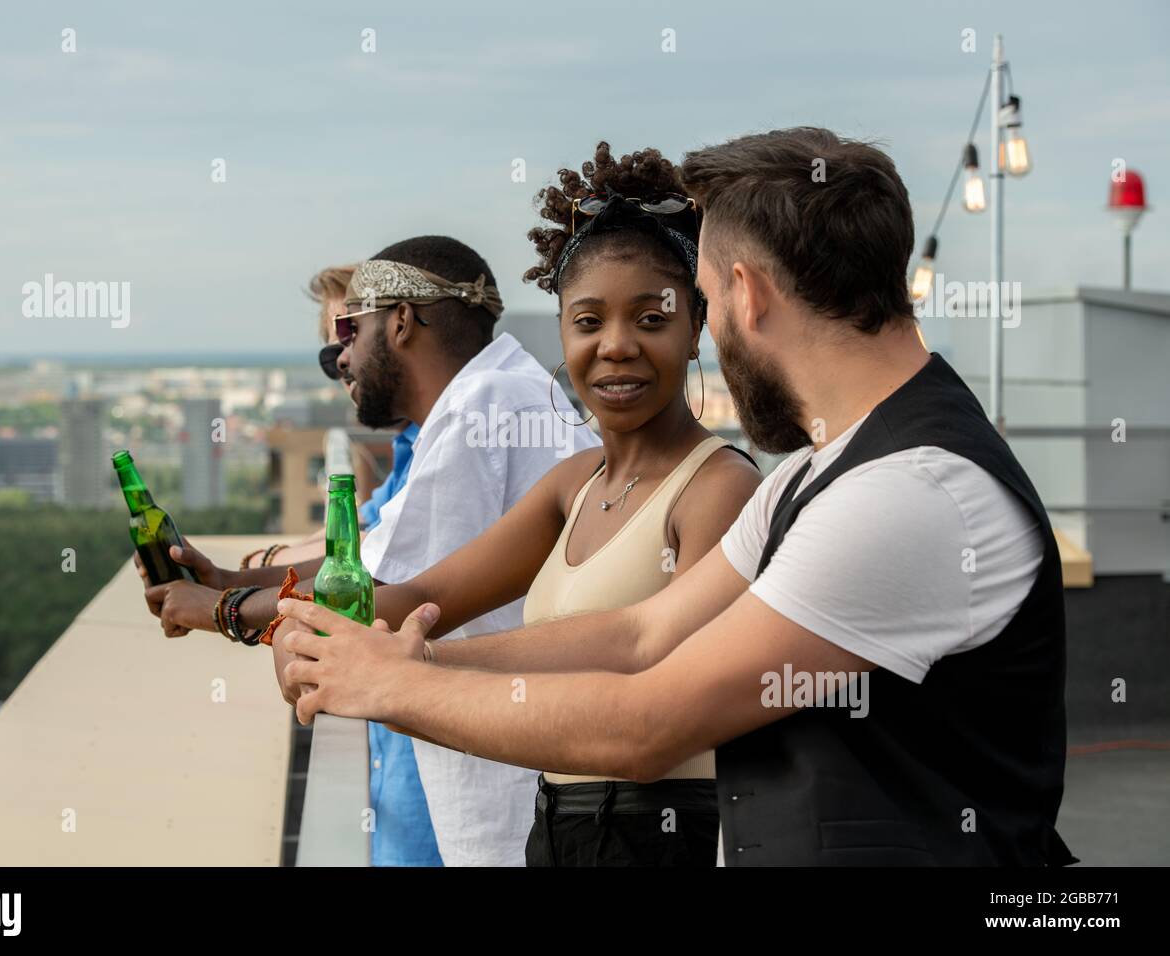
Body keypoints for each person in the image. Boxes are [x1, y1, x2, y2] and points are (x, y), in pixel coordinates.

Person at [276, 128, 1076, 867]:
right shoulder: (818, 472)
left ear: (745, 293)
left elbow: (649, 723)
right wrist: (415, 656)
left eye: (700, 301)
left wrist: (394, 687)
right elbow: (639, 636)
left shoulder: (910, 492)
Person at [276, 143, 760, 866]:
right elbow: (415, 597)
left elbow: (653, 684)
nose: (617, 346)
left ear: (697, 325)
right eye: (588, 321)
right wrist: (313, 634)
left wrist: (407, 673)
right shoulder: (573, 486)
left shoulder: (720, 487)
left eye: (652, 321)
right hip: (554, 833)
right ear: (563, 332)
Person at [156, 234, 602, 865]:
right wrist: (227, 579)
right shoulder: (502, 388)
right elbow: (370, 560)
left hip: (508, 774)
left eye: (351, 331)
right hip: (513, 756)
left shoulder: (483, 405)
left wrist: (221, 608)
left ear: (399, 323)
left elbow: (375, 602)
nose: (344, 358)